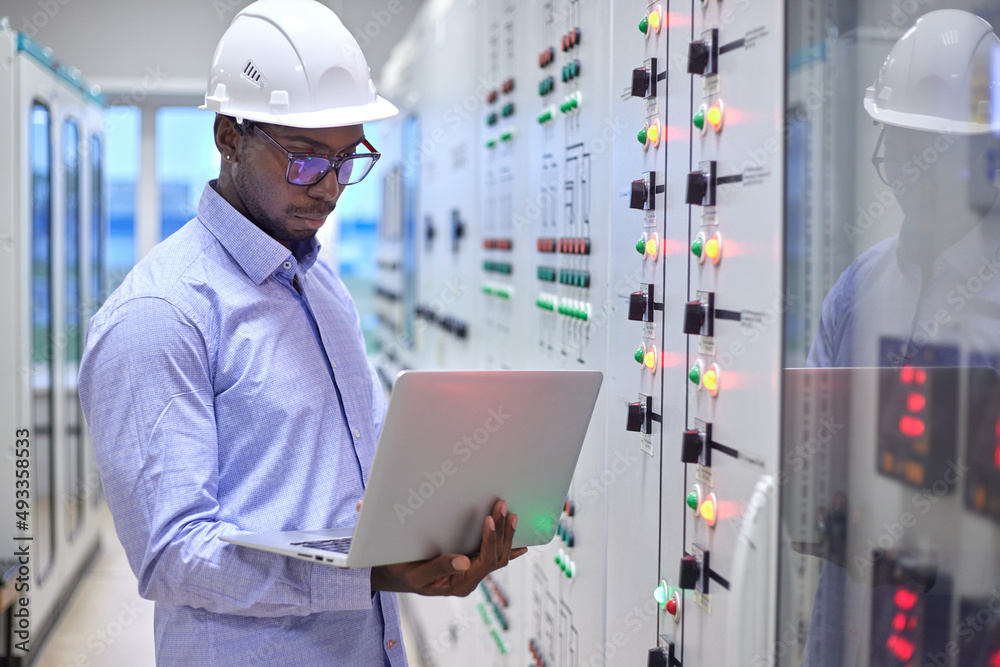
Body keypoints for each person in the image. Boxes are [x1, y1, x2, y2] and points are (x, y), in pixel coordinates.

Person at [78, 2, 524, 665]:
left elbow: (355, 488)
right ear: (230, 134)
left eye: (349, 159)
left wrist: (441, 529)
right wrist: (370, 573)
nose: (331, 188)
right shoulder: (160, 314)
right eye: (307, 158)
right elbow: (174, 554)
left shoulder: (320, 287)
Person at [801, 10, 1000, 666]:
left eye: (931, 148)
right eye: (901, 142)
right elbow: (810, 473)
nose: (910, 168)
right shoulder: (856, 291)